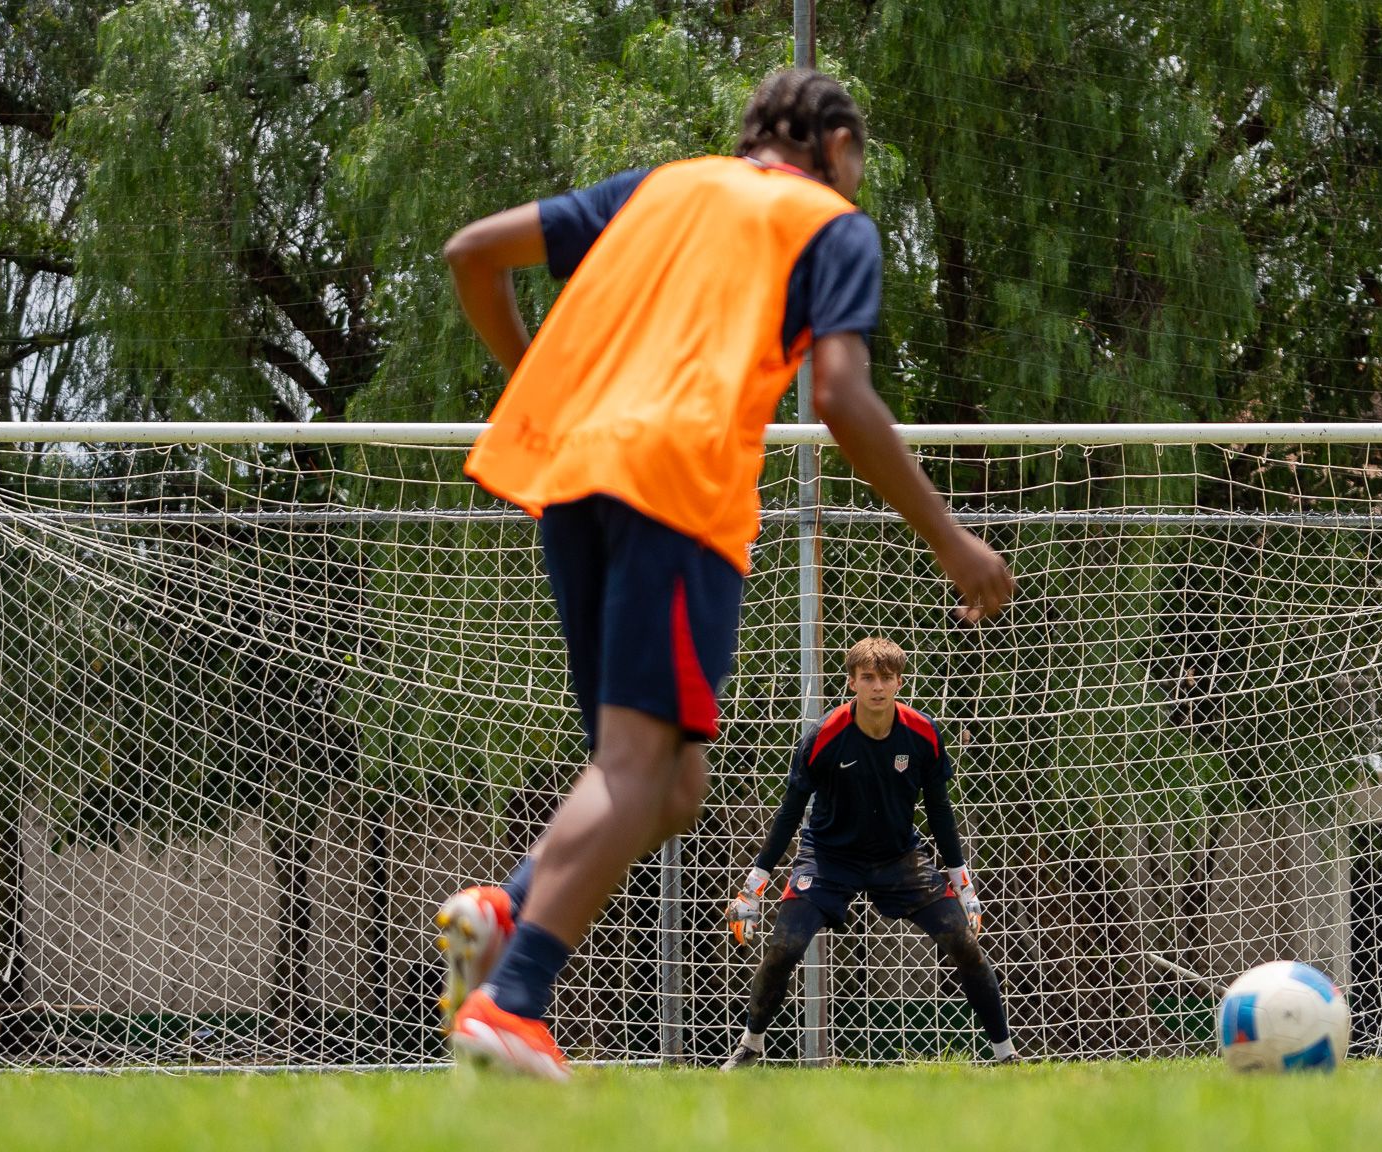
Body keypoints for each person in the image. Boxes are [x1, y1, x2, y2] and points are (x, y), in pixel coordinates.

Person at [430, 69, 1014, 1081]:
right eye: (858, 161)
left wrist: (537, 387)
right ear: (833, 147)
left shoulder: (660, 187)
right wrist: (949, 539)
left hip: (571, 484)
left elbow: (472, 255)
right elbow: (839, 394)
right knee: (634, 770)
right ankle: (512, 999)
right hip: (675, 489)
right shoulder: (827, 223)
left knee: (674, 784)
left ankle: (506, 907)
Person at [722, 637, 1018, 1067]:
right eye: (867, 678)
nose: (877, 687)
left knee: (963, 943)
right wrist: (753, 887)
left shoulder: (923, 734)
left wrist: (963, 884)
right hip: (827, 858)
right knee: (785, 946)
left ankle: (1005, 1056)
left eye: (886, 678)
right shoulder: (823, 736)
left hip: (900, 858)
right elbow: (789, 812)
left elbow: (939, 811)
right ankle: (751, 1046)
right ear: (851, 683)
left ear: (900, 681)